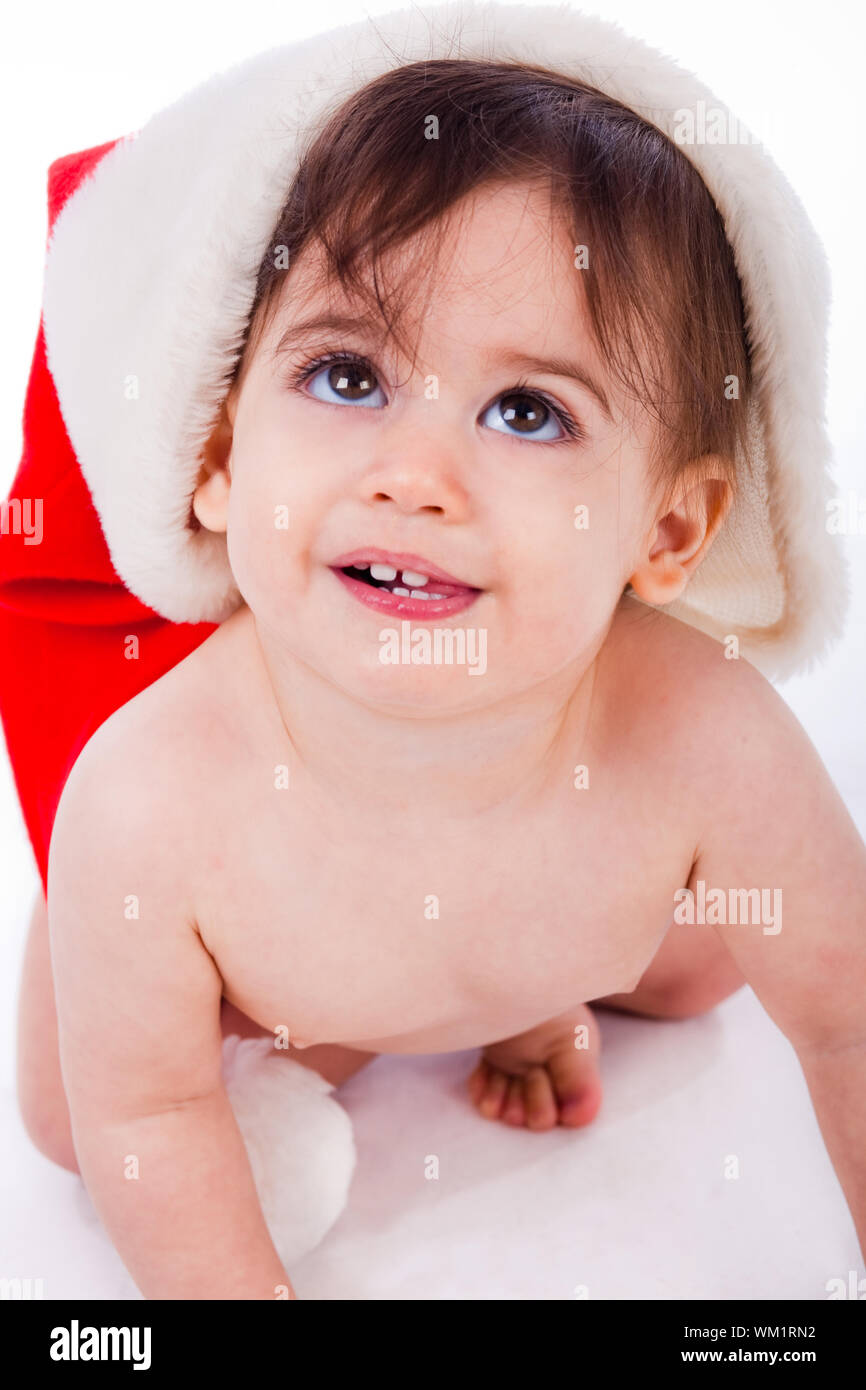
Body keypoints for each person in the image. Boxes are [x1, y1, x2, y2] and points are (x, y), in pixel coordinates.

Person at [5, 4, 864, 1299]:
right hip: (281, 978)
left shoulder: (708, 746)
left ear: (668, 529)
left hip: (553, 918)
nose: (413, 477)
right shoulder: (151, 797)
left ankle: (523, 991)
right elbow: (153, 1116)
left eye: (525, 409)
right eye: (347, 376)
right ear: (219, 459)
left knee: (703, 969)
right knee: (83, 1114)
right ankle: (393, 1024)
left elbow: (846, 1022)